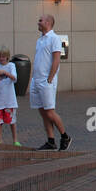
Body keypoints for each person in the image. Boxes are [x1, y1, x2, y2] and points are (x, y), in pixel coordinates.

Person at [31, 14, 71, 151]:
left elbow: (56, 59)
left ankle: (65, 136)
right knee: (43, 112)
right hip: (36, 80)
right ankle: (50, 140)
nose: (38, 22)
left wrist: (50, 77)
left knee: (49, 111)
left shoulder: (54, 38)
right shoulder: (40, 40)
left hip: (46, 81)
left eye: (40, 20)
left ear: (48, 22)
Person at [0, 46, 20, 147]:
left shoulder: (11, 66)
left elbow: (14, 78)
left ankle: (15, 140)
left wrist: (4, 72)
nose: (1, 58)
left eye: (3, 56)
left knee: (12, 120)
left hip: (9, 99)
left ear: (7, 57)